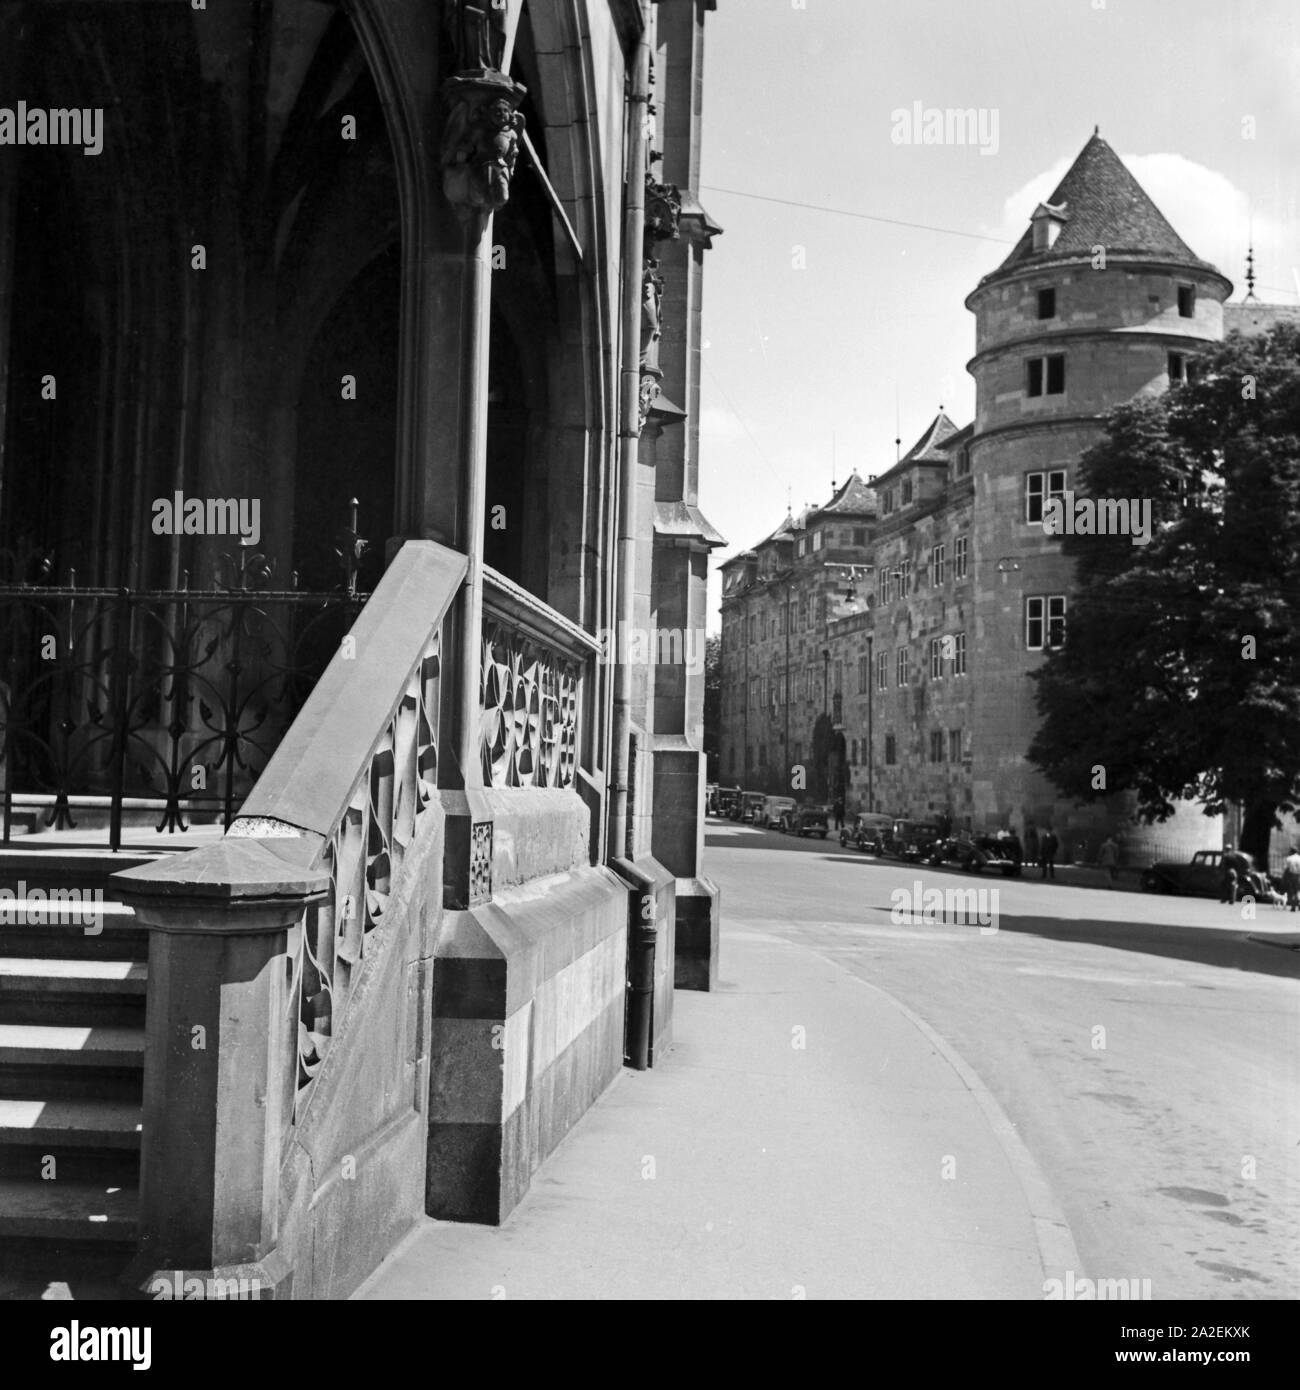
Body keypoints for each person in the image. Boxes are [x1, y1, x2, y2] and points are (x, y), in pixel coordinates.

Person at [1283, 847, 1300, 912]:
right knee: (1298, 891)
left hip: (1292, 876)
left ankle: (1293, 906)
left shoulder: (1289, 859)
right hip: (1298, 876)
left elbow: (1286, 869)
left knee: (1292, 891)